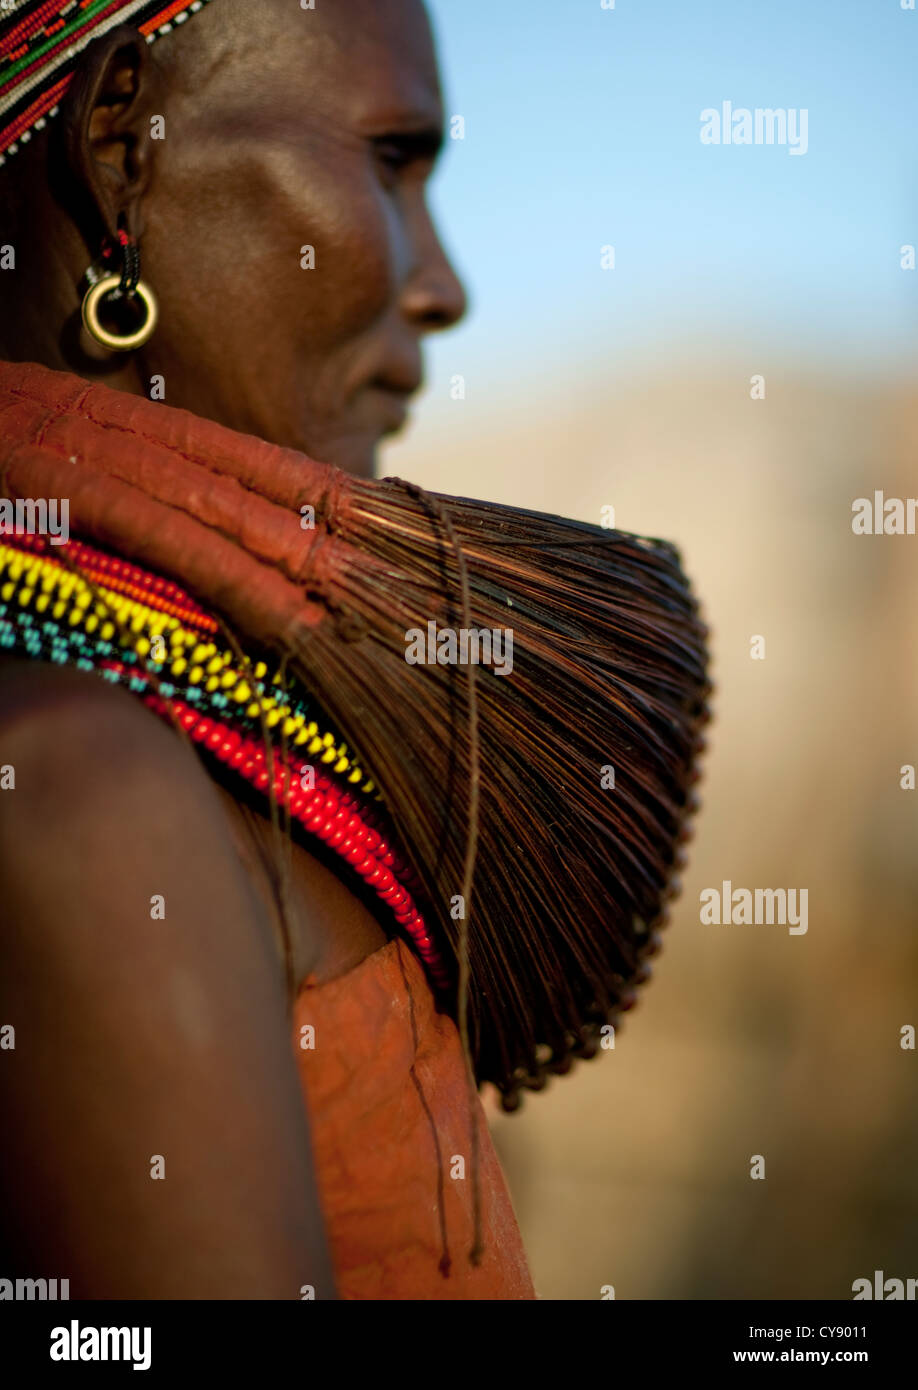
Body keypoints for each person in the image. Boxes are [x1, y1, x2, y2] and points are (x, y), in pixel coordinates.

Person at [0, 0, 538, 1299]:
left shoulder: (171, 734)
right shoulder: (76, 783)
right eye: (392, 159)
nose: (443, 284)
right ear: (124, 140)